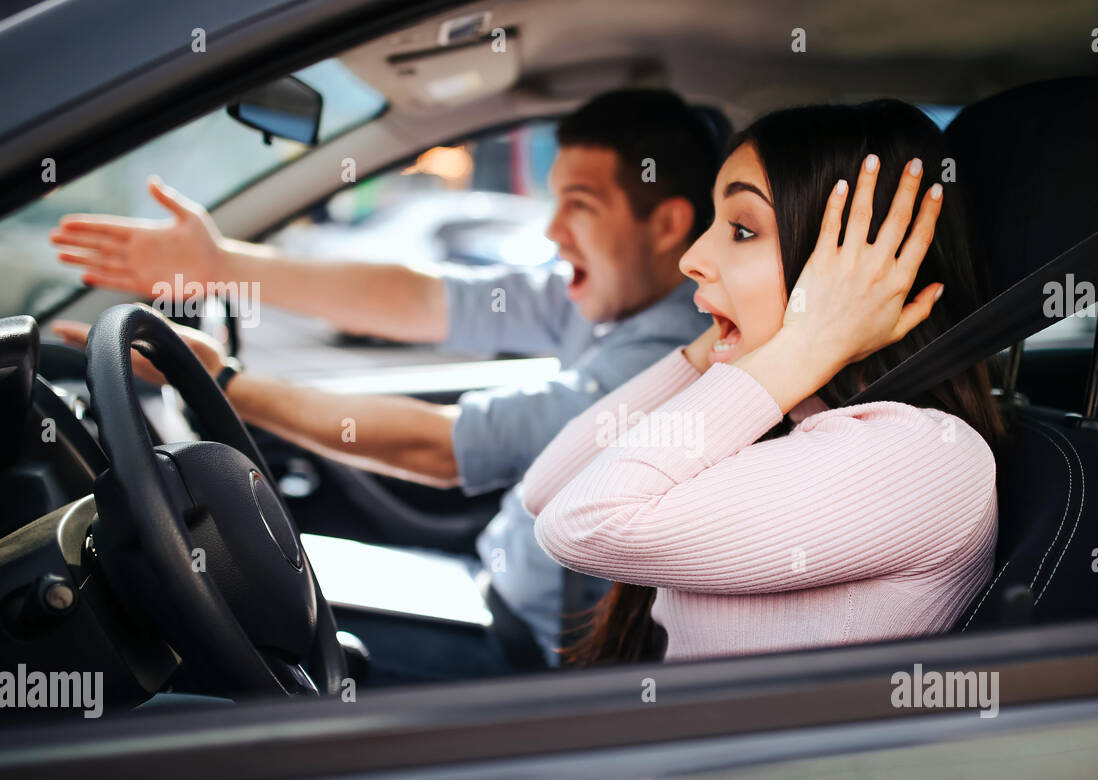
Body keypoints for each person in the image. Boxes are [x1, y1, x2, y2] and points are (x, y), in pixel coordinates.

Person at [49, 89, 720, 676]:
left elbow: (442, 446)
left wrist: (219, 380)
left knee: (220, 636)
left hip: (526, 657)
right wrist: (222, 264)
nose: (550, 229)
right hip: (488, 589)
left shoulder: (672, 355)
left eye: (580, 205)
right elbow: (426, 299)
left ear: (666, 225)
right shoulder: (605, 298)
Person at [519, 101, 1005, 665]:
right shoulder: (783, 419)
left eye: (743, 229)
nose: (693, 259)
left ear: (861, 272)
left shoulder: (923, 456)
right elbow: (547, 491)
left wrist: (810, 340)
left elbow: (580, 523)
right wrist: (723, 345)